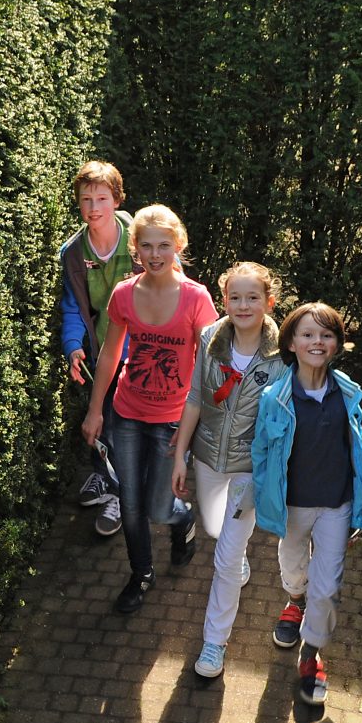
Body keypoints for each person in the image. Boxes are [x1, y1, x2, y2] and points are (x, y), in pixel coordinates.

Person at [82, 205, 215, 614]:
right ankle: (141, 574)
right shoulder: (124, 294)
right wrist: (95, 410)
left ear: (179, 245)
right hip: (126, 412)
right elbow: (109, 354)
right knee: (130, 502)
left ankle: (183, 520)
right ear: (135, 248)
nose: (155, 254)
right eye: (146, 246)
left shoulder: (196, 298)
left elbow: (211, 362)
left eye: (164, 245)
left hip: (172, 420)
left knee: (159, 507)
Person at [251, 302, 362, 708]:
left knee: (328, 587)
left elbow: (356, 453)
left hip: (336, 505)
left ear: (337, 343)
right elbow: (262, 454)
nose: (316, 342)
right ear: (291, 341)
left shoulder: (349, 393)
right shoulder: (276, 397)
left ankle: (311, 654)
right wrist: (261, 499)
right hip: (293, 507)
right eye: (307, 334)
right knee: (293, 568)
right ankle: (293, 601)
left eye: (326, 334)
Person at [172, 262, 283, 678]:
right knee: (217, 531)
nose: (243, 304)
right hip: (207, 460)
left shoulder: (281, 354)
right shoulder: (209, 338)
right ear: (224, 301)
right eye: (235, 297)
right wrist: (181, 454)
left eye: (252, 297)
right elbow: (197, 397)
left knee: (225, 556)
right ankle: (236, 560)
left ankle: (214, 644)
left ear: (269, 302)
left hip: (249, 468)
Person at [59, 160, 138, 539]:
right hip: (102, 351)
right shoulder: (73, 253)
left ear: (117, 200)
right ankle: (103, 477)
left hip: (139, 352)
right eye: (86, 198)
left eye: (102, 198)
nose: (93, 207)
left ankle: (121, 495)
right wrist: (73, 347)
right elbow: (74, 306)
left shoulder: (141, 239)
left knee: (122, 425)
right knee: (100, 418)